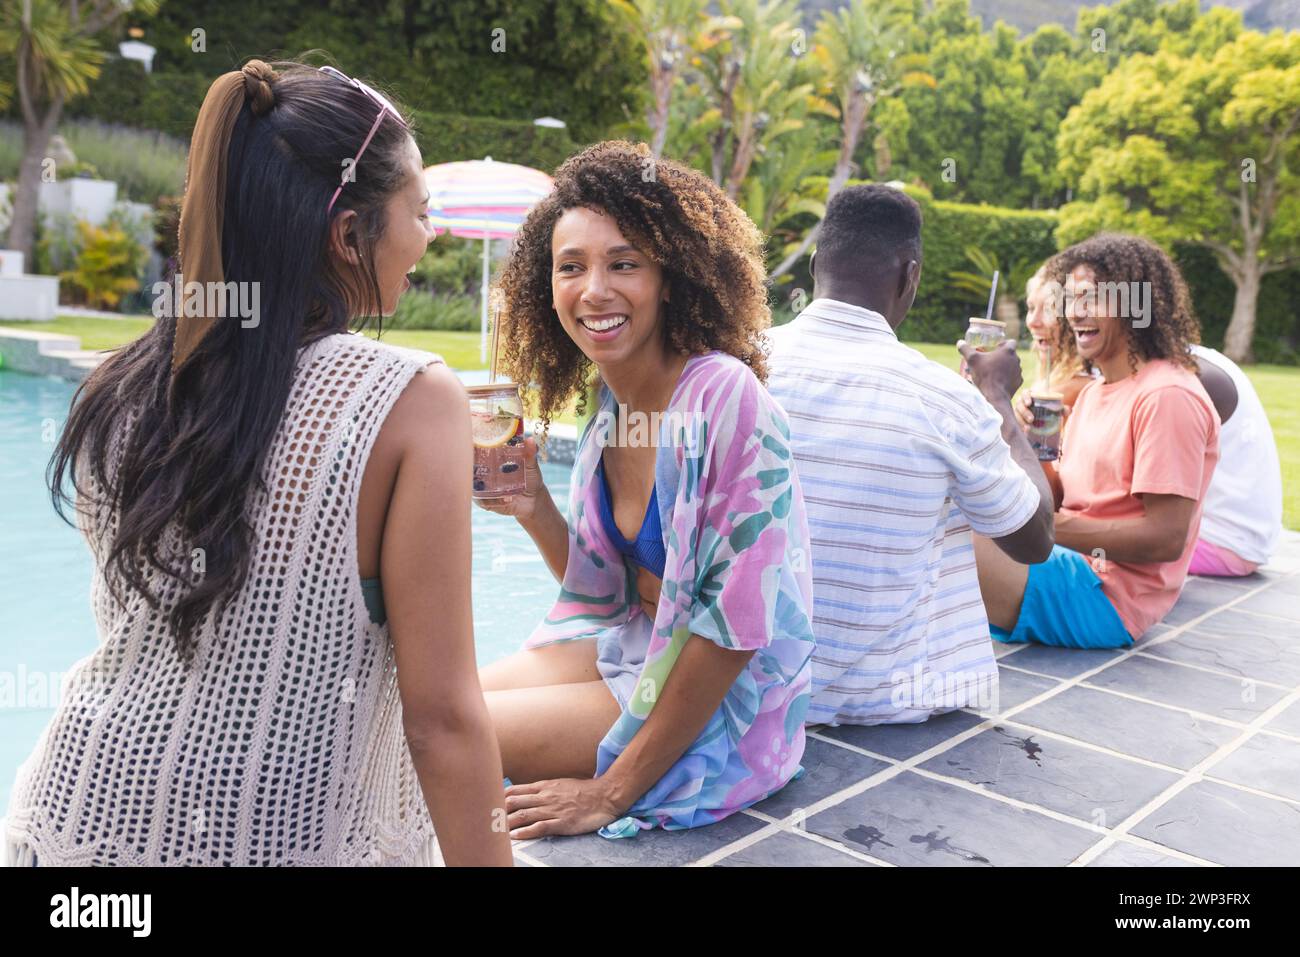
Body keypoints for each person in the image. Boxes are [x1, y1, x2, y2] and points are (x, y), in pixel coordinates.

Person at [5, 60, 512, 866]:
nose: (431, 234)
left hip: (67, 831)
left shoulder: (121, 385)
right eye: (421, 210)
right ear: (348, 234)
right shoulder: (412, 401)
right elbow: (442, 718)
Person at [475, 141, 815, 838]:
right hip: (637, 641)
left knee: (452, 728)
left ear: (671, 276)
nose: (593, 289)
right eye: (571, 267)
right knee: (438, 700)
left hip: (721, 701)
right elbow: (603, 594)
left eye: (623, 263)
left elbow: (735, 629)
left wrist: (610, 791)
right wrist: (534, 506)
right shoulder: (609, 409)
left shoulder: (727, 398)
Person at [765, 184, 1055, 727]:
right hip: (879, 703)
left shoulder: (732, 365)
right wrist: (997, 402)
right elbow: (1034, 541)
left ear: (814, 266)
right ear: (910, 276)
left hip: (740, 693)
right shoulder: (946, 400)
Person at [976, 233, 1220, 648]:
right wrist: (1031, 439)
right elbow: (1054, 499)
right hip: (1066, 567)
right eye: (1070, 299)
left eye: (1091, 298)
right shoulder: (1094, 391)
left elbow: (1165, 538)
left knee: (950, 523)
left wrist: (996, 398)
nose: (1075, 313)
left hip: (1105, 597)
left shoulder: (1166, 396)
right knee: (951, 496)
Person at [1184, 344, 1282, 576]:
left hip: (1221, 543)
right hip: (1242, 539)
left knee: (1091, 546)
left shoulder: (1194, 377)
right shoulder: (1203, 360)